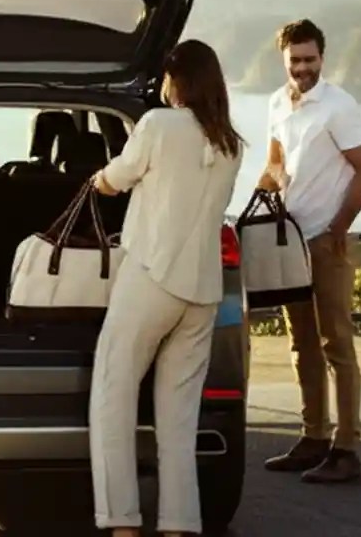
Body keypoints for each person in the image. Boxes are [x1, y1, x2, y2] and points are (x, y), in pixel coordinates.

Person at [88, 39, 245, 537]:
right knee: (178, 421)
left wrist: (96, 182)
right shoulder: (230, 143)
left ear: (179, 79)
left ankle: (122, 523)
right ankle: (179, 525)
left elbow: (117, 178)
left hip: (152, 278)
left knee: (113, 395)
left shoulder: (157, 124)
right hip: (202, 293)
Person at [258, 18, 361, 484]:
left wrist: (339, 228)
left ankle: (346, 449)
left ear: (321, 59)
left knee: (337, 345)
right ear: (283, 60)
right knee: (300, 343)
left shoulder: (339, 106)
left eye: (310, 60)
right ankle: (312, 439)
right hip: (288, 239)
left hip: (325, 241)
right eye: (295, 61)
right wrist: (255, 208)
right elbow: (274, 163)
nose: (303, 68)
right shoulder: (275, 103)